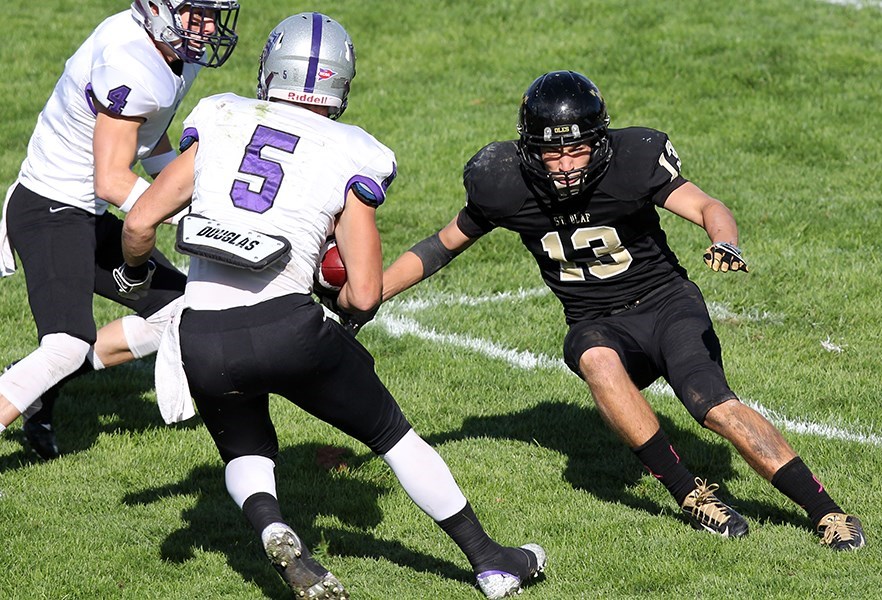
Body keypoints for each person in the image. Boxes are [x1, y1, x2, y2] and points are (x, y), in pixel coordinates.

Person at [118, 13, 547, 599]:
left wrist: (137, 276)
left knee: (245, 446)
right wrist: (331, 296)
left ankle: (272, 526)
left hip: (204, 337)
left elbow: (141, 220)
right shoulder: (353, 150)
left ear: (272, 68)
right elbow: (365, 292)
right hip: (287, 329)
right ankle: (490, 561)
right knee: (394, 437)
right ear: (339, 84)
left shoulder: (221, 115)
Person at [376, 70, 866, 551]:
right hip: (599, 324)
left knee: (713, 405)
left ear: (600, 142)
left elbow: (706, 206)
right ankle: (690, 494)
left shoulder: (633, 162)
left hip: (666, 304)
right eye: (552, 152)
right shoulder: (503, 184)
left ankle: (827, 511)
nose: (566, 164)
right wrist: (373, 293)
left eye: (576, 149)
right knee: (594, 359)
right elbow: (440, 247)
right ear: (530, 150)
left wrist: (725, 241)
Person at [0, 0, 240, 459]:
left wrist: (193, 192)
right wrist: (185, 217)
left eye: (214, 13)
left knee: (184, 311)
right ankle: (35, 379)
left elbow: (149, 136)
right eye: (196, 12)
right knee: (67, 345)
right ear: (157, 9)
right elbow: (111, 181)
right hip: (51, 206)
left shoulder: (173, 51)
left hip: (85, 211)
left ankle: (32, 380)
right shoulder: (129, 59)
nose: (207, 26)